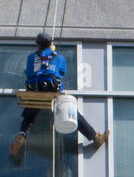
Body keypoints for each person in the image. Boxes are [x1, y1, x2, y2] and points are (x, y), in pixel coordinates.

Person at [8, 33, 108, 164]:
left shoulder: (31, 57)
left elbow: (28, 72)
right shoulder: (59, 57)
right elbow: (62, 72)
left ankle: (22, 134)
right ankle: (95, 137)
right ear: (50, 44)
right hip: (51, 90)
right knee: (70, 110)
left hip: (34, 90)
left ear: (38, 45)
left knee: (29, 116)